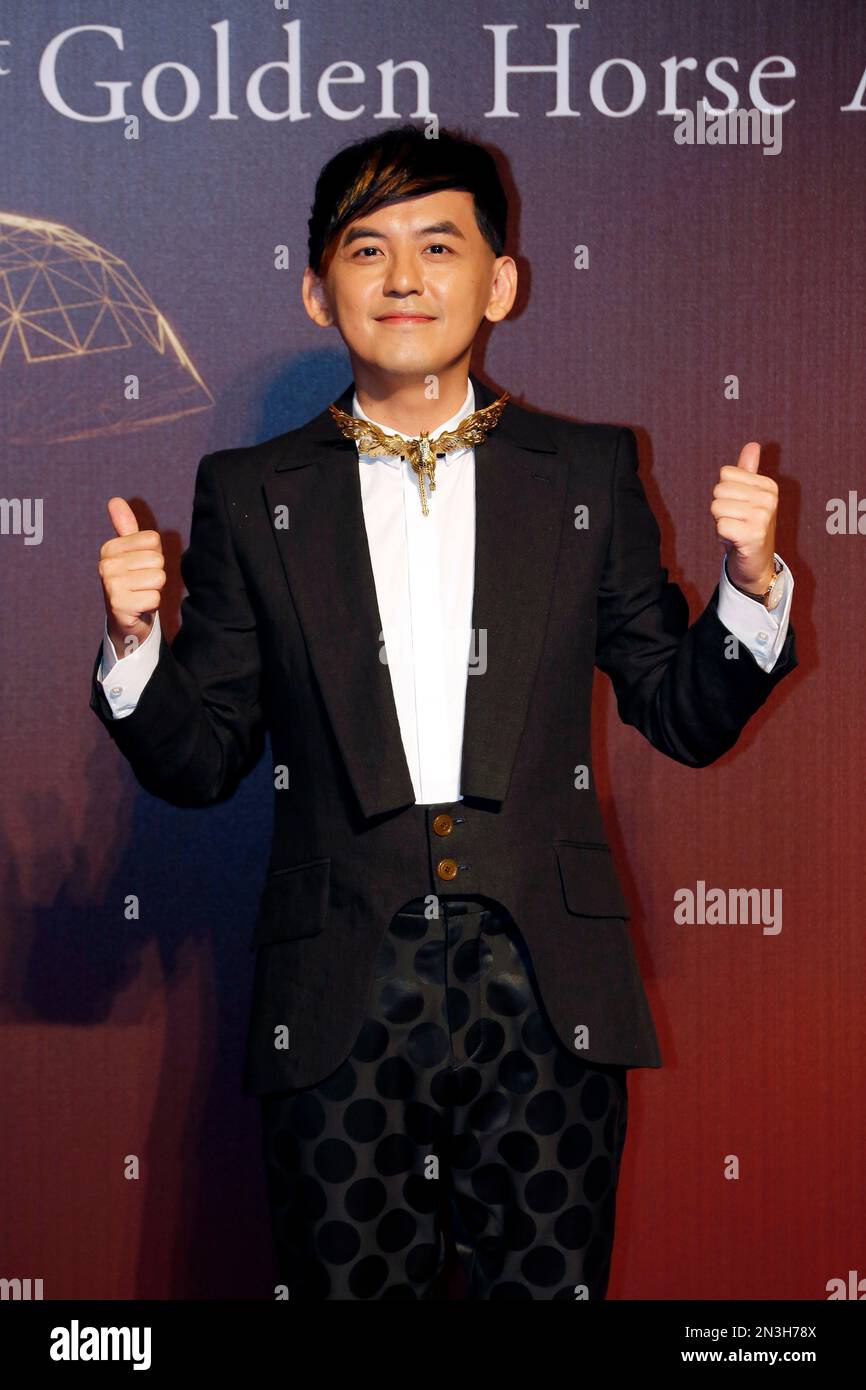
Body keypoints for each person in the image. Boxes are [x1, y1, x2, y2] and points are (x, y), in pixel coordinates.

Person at [90, 123, 797, 1300]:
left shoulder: (586, 470)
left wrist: (749, 584)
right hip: (335, 998)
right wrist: (132, 644)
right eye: (366, 251)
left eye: (438, 244)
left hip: (546, 986)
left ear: (499, 281)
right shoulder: (249, 491)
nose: (404, 278)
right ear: (320, 292)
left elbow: (681, 712)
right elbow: (202, 758)